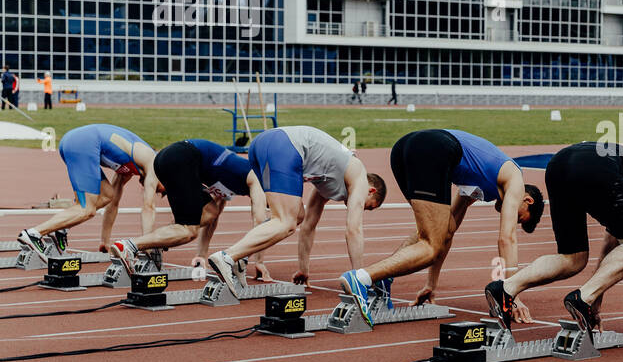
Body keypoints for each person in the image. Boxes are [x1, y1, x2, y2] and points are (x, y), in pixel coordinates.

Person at [486, 141, 623, 333]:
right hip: (596, 167)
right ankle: (582, 299)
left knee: (573, 258)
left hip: (559, 163)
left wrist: (594, 301)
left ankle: (505, 289)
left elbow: (609, 248)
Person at [340, 129, 544, 326]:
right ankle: (361, 278)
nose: (513, 219)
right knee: (430, 247)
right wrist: (512, 296)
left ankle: (383, 278)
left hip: (406, 147)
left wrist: (431, 283)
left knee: (436, 230)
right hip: (435, 148)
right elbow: (506, 238)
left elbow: (448, 230)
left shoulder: (485, 180)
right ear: (528, 200)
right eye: (520, 218)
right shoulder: (515, 178)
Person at [206, 125, 386, 295]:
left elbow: (308, 226)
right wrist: (359, 277)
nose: (362, 208)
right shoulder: (359, 175)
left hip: (262, 144)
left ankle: (239, 258)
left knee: (297, 216)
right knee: (286, 222)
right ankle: (228, 257)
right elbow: (354, 229)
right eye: (368, 206)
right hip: (284, 146)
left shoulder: (328, 183)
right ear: (371, 191)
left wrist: (303, 269)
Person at [111, 139, 270, 277]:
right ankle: (129, 246)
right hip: (181, 157)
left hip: (172, 158)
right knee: (188, 230)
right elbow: (260, 221)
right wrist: (259, 261)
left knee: (209, 212)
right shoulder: (255, 179)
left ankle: (156, 243)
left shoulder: (232, 179)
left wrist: (201, 255)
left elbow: (212, 219)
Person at [17, 124, 157, 259]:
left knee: (107, 195)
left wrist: (105, 242)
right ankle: (33, 234)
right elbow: (148, 207)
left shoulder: (130, 169)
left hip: (77, 141)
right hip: (84, 143)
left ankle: (62, 227)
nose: (159, 192)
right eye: (163, 190)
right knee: (87, 209)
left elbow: (113, 203)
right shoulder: (153, 162)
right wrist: (147, 246)